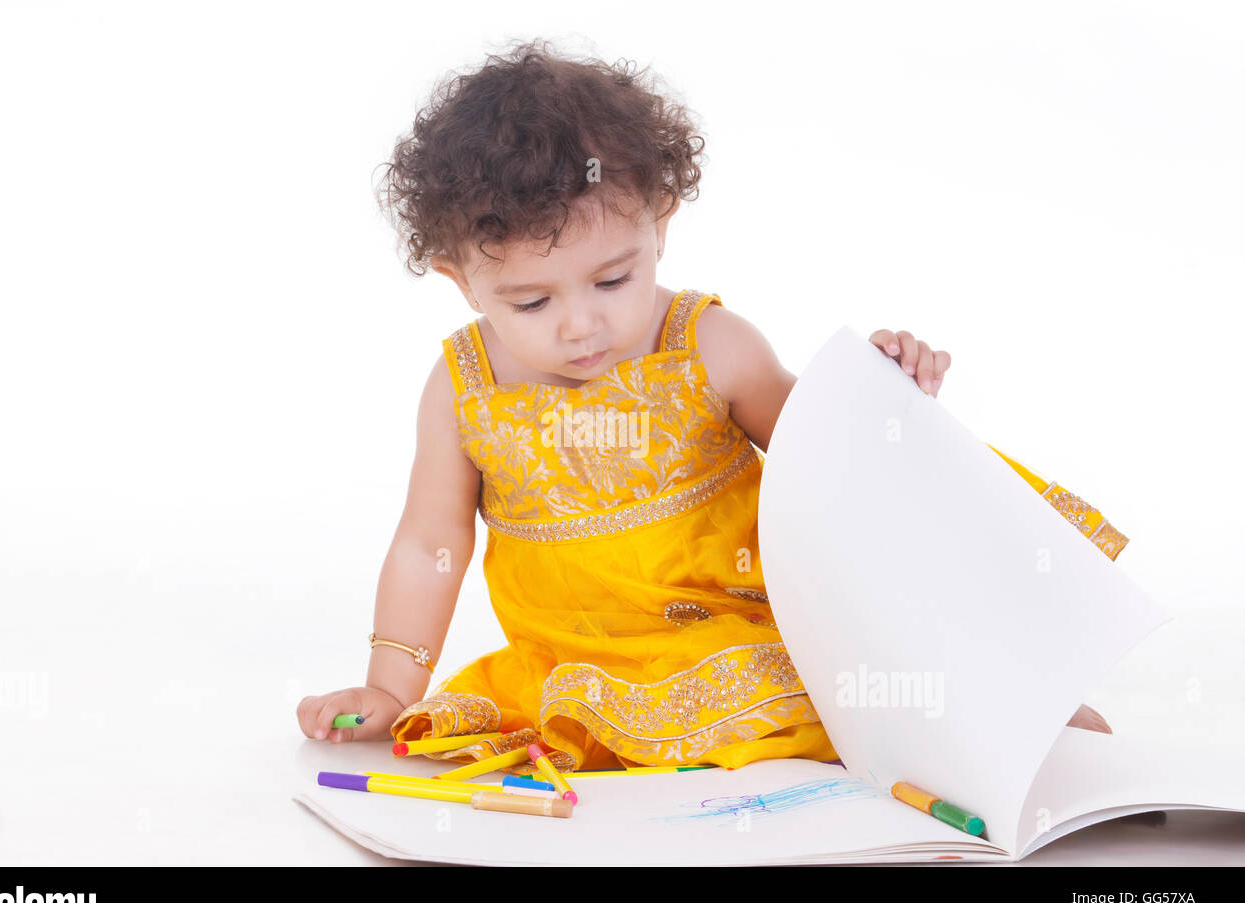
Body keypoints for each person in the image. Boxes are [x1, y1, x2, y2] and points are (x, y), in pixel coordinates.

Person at [296, 40, 1122, 774]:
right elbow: (428, 542)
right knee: (557, 712)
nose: (582, 326)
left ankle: (1007, 701)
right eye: (529, 303)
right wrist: (389, 684)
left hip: (749, 623)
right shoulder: (462, 388)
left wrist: (885, 389)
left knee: (863, 684)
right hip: (580, 654)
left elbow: (836, 469)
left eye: (613, 280)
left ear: (661, 223)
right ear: (459, 280)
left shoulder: (711, 345)